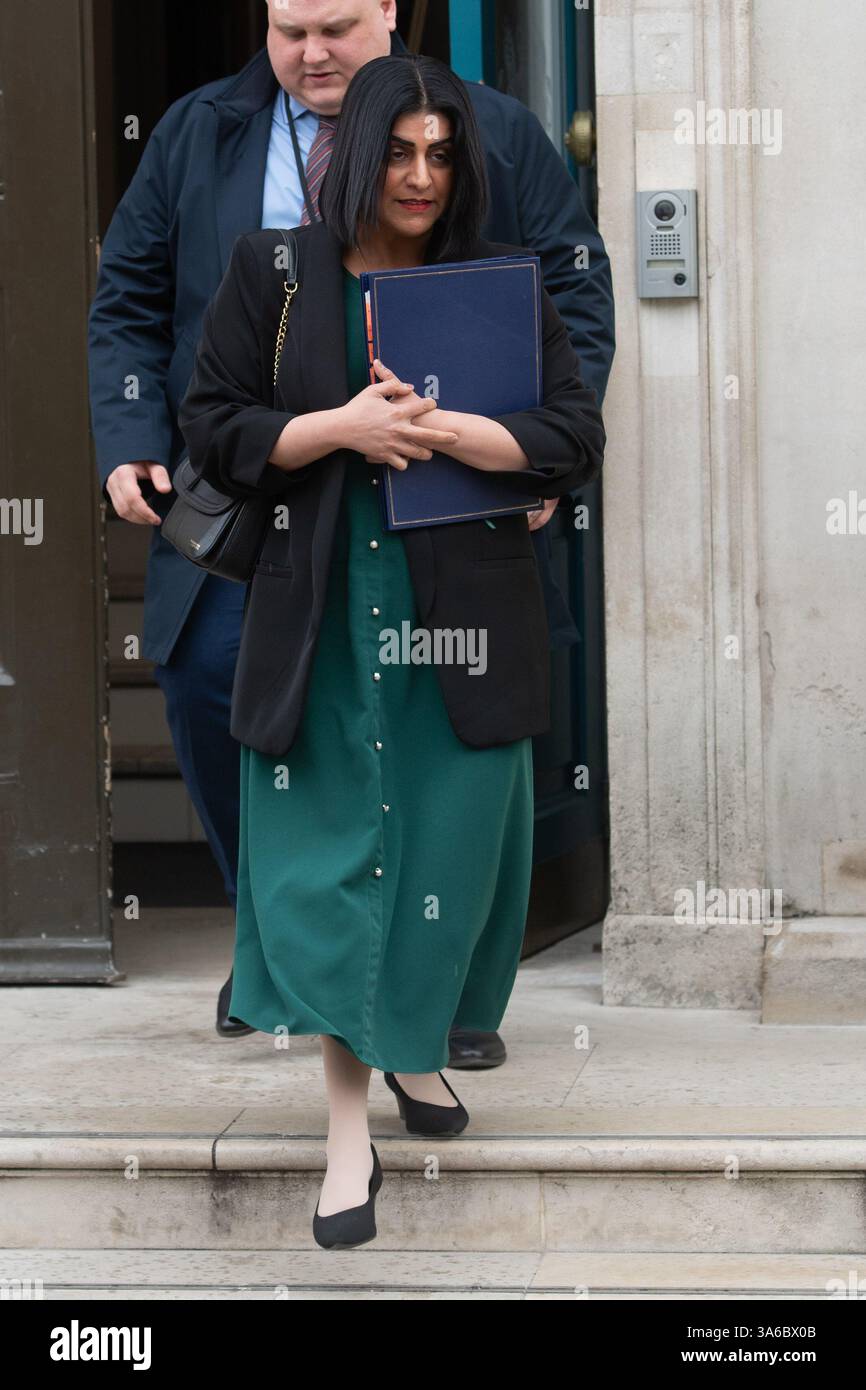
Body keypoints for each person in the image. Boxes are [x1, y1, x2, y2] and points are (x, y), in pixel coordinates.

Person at [87, 0, 615, 1057]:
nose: (309, 53)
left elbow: (570, 287)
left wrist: (531, 441)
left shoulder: (481, 127)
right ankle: (288, 943)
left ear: (386, 11)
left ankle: (441, 991)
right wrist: (131, 431)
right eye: (288, 32)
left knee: (445, 721)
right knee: (217, 689)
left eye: (333, 27)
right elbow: (130, 290)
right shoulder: (197, 128)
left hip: (445, 495)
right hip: (258, 485)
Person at [178, 52, 605, 1249]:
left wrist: (464, 430)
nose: (421, 175)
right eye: (400, 149)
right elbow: (212, 430)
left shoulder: (493, 286)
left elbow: (574, 435)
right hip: (319, 612)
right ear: (356, 153)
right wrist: (340, 427)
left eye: (442, 151)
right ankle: (345, 1135)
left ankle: (415, 1058)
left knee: (449, 857)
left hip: (460, 621)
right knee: (326, 871)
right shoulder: (274, 274)